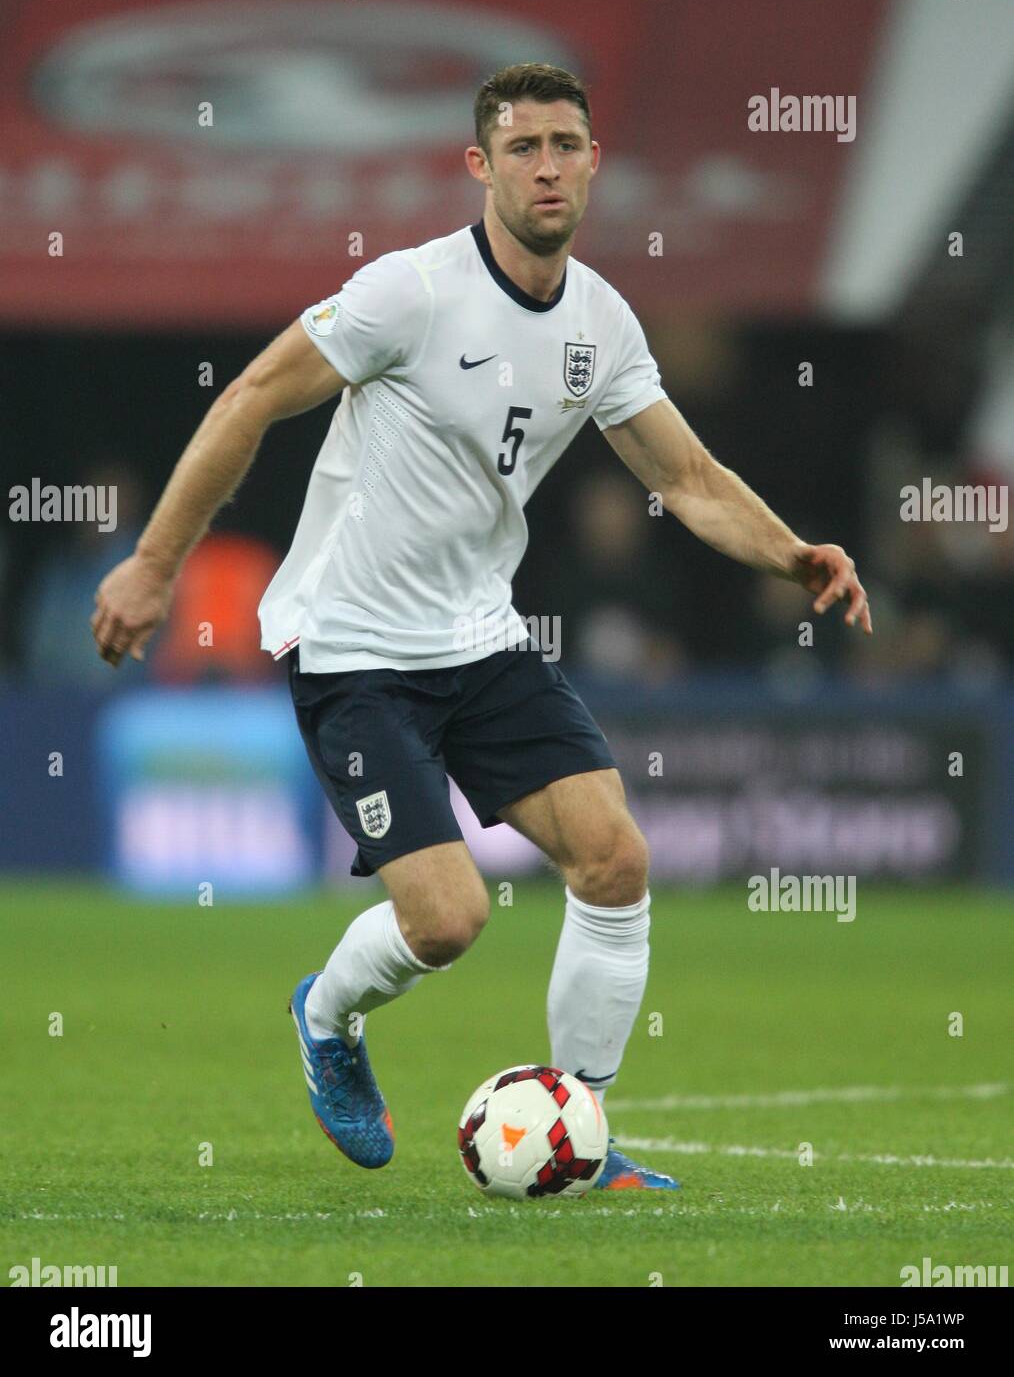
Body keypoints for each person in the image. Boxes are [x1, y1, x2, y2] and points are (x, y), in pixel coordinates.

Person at [91, 63, 871, 1192]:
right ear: (481, 166)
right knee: (450, 918)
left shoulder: (600, 321)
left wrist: (792, 551)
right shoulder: (406, 293)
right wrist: (156, 564)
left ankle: (581, 1132)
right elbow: (251, 392)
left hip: (481, 640)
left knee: (614, 858)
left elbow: (688, 476)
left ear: (595, 163)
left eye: (566, 144)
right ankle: (326, 1015)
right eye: (523, 148)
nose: (547, 165)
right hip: (355, 651)